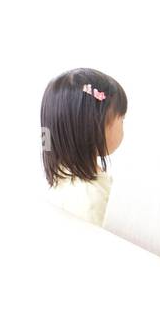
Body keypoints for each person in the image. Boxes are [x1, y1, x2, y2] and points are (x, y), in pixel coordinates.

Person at [41, 69, 128, 227]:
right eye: (122, 118)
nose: (123, 124)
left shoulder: (63, 178)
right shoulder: (90, 199)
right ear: (94, 126)